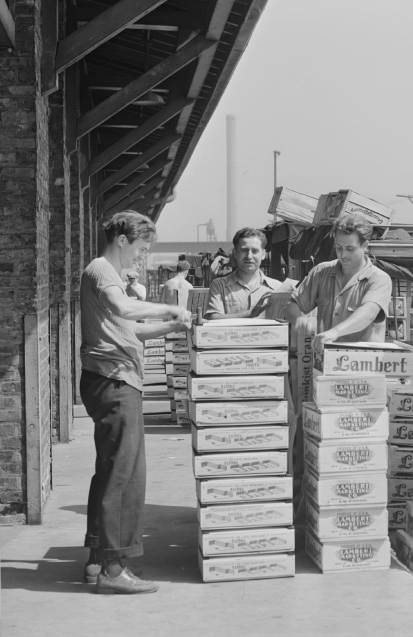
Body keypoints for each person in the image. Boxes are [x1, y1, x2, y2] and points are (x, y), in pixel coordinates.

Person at [80, 210, 192, 595]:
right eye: (141, 249)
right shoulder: (101, 270)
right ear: (123, 240)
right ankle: (114, 567)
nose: (141, 258)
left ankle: (97, 559)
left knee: (111, 471)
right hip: (114, 381)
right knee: (125, 477)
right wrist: (170, 307)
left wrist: (173, 326)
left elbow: (132, 330)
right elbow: (126, 310)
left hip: (112, 379)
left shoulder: (110, 275)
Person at [284, 213, 391, 353]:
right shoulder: (321, 272)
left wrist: (335, 332)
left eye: (350, 249)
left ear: (365, 246)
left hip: (364, 364)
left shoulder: (379, 279)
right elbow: (291, 306)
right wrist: (299, 319)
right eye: (339, 247)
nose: (343, 254)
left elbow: (368, 313)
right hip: (326, 363)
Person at [203, 227, 280, 320]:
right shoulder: (219, 286)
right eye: (244, 250)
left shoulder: (278, 288)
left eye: (255, 251)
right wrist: (249, 314)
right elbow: (213, 318)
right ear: (235, 253)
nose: (249, 256)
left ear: (263, 254)